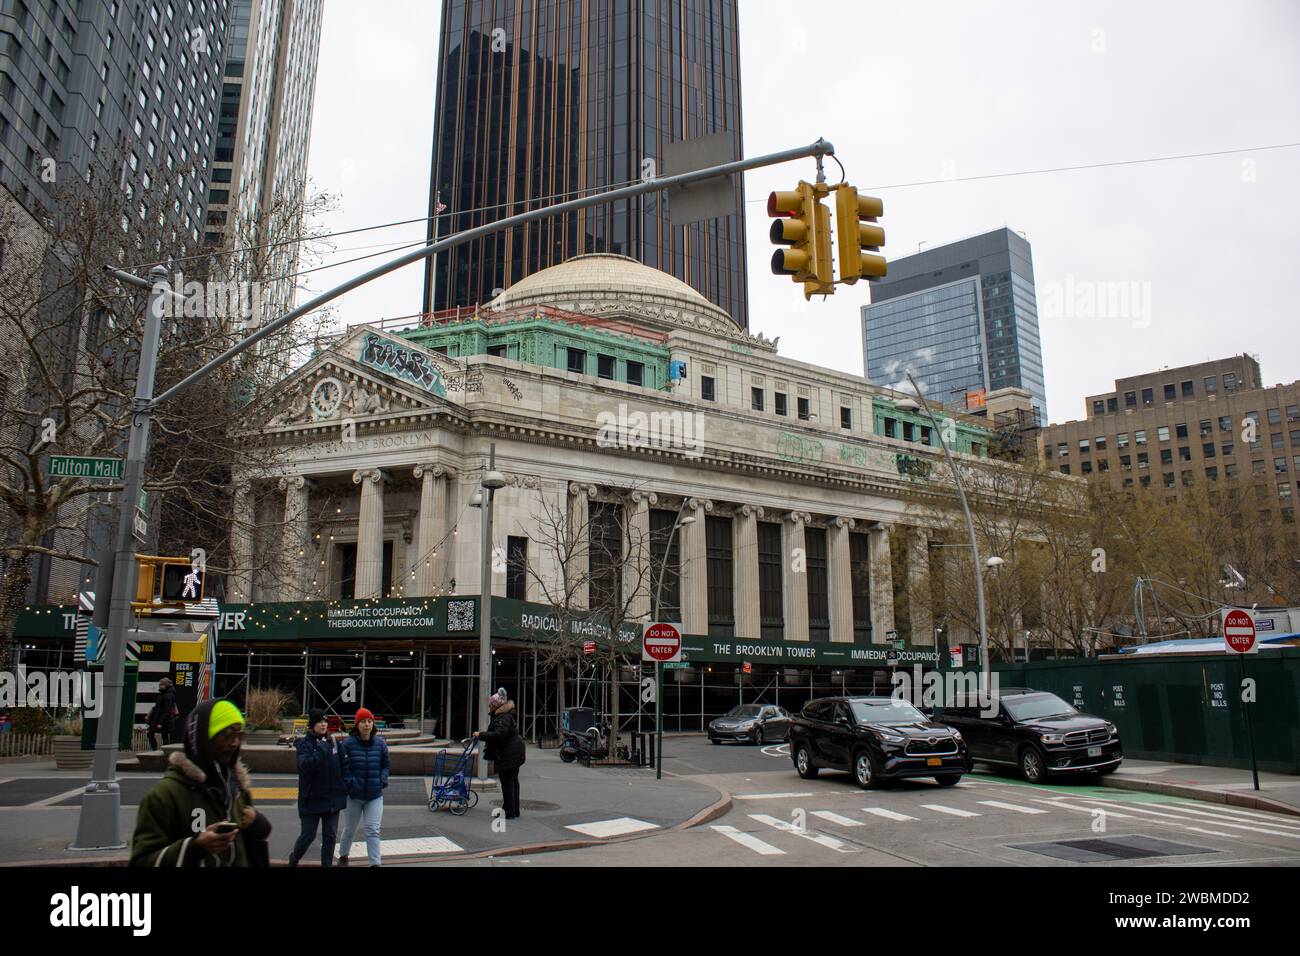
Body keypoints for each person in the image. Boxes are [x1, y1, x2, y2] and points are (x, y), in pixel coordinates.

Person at [130, 698, 272, 866]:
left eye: (238, 735)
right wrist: (194, 847)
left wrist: (257, 824)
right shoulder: (164, 796)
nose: (234, 743)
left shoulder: (237, 789)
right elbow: (142, 861)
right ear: (203, 737)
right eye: (227, 734)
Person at [288, 708, 348, 867]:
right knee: (308, 835)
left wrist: (344, 784)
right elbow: (305, 766)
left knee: (330, 836)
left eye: (325, 721)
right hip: (311, 799)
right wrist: (321, 749)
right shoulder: (304, 744)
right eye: (320, 722)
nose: (323, 724)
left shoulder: (334, 742)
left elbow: (344, 765)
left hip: (332, 799)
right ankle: (294, 859)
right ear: (312, 725)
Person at [337, 707, 389, 866]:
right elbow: (343, 768)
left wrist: (382, 779)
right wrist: (350, 783)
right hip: (353, 795)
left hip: (374, 794)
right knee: (350, 829)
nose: (367, 724)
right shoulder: (347, 744)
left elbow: (385, 765)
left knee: (373, 830)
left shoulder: (380, 744)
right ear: (357, 725)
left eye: (370, 721)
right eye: (363, 721)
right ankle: (343, 855)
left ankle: (375, 863)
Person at [474, 687, 526, 819]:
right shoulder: (505, 716)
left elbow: (499, 734)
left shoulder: (503, 718)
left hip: (509, 754)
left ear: (496, 705)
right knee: (513, 781)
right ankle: (513, 810)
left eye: (491, 704)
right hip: (515, 751)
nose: (489, 706)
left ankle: (509, 811)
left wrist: (481, 735)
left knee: (508, 782)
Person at [145, 677, 178, 751]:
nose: (160, 685)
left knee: (162, 735)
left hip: (164, 720)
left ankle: (161, 751)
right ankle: (158, 751)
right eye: (160, 684)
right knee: (156, 734)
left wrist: (160, 722)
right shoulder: (162, 693)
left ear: (166, 685)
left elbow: (167, 710)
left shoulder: (168, 695)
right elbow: (157, 706)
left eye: (161, 684)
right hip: (158, 718)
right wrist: (149, 714)